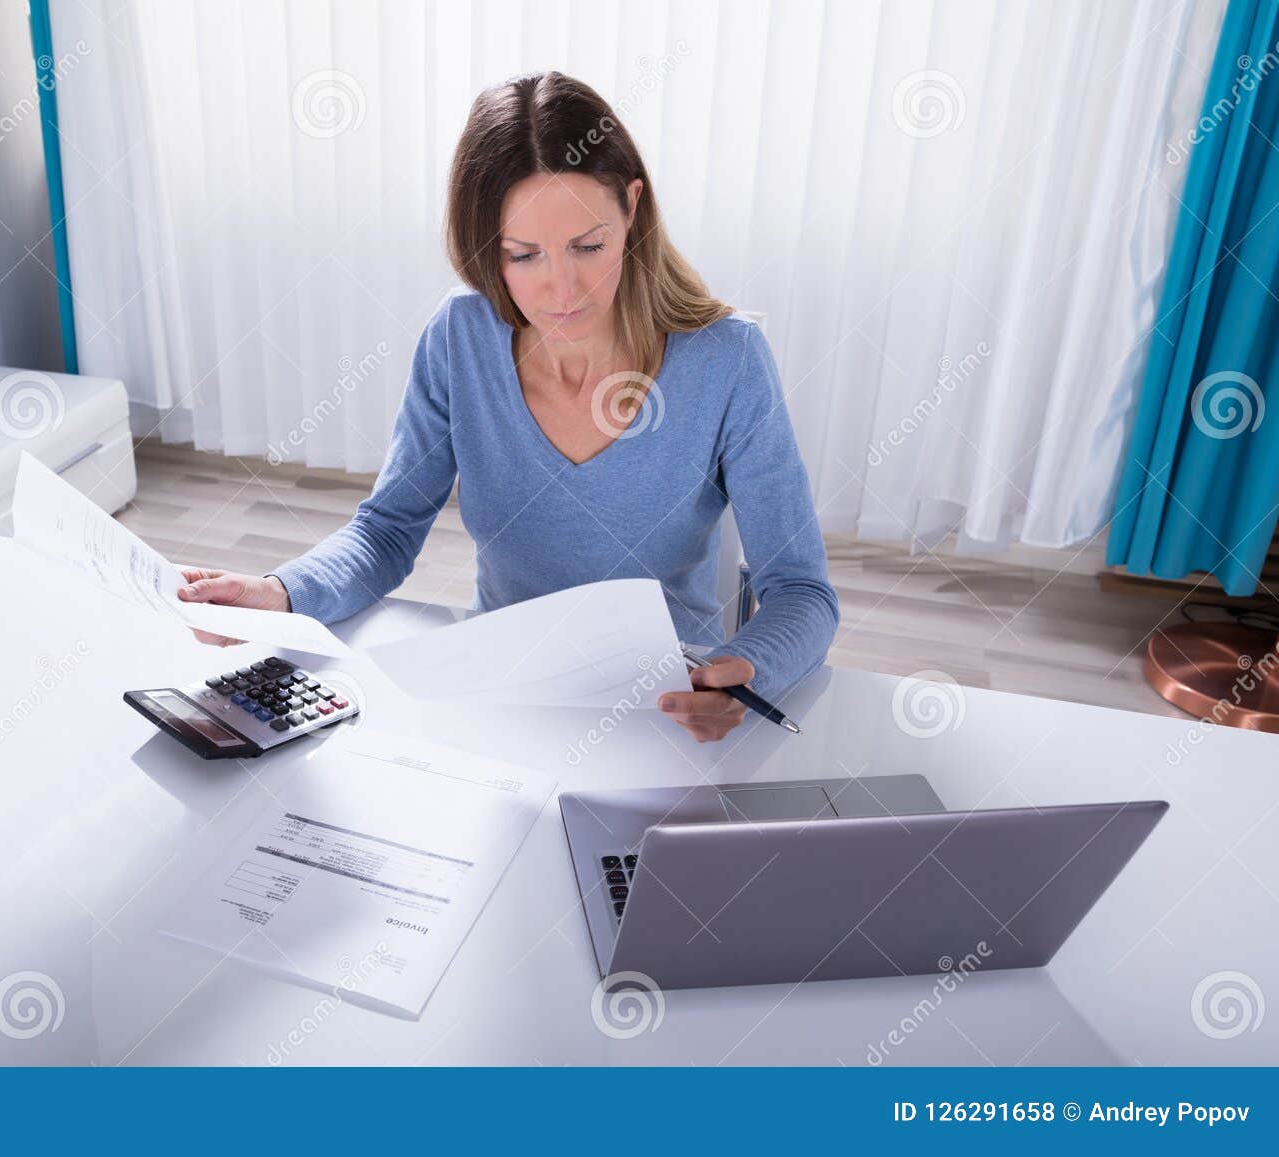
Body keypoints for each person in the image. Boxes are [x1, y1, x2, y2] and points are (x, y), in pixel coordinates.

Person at [179, 71, 838, 743]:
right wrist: (280, 592)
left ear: (632, 209)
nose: (563, 289)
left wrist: (745, 672)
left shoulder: (727, 360)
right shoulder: (460, 337)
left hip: (663, 712)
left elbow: (801, 592)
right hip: (500, 697)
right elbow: (387, 532)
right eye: (524, 256)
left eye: (588, 246)